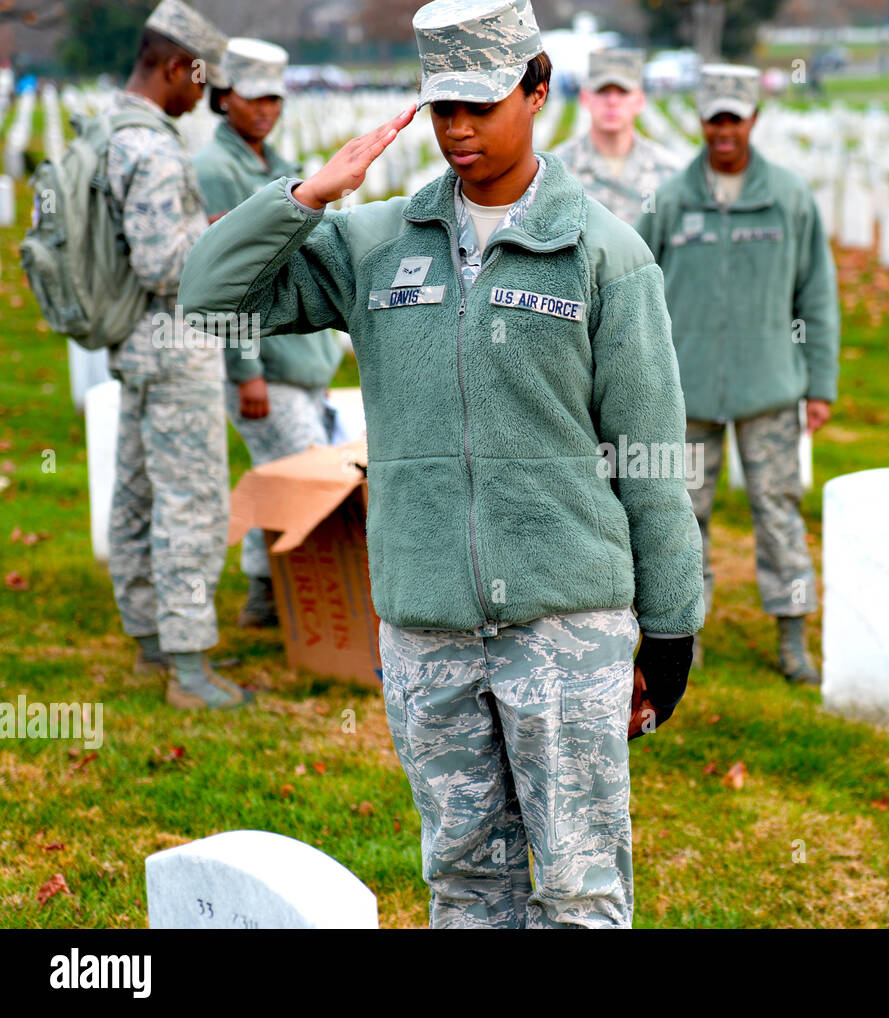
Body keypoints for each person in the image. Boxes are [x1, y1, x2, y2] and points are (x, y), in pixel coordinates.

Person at [178, 0, 703, 928]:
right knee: (464, 886)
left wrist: (668, 631)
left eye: (481, 103)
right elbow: (208, 294)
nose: (458, 128)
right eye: (441, 107)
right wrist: (309, 194)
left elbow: (652, 459)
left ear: (537, 89)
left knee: (582, 891)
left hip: (565, 624)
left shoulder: (603, 256)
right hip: (425, 625)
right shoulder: (374, 244)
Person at [636, 64, 839, 685]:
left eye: (736, 118)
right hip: (687, 395)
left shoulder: (788, 198)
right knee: (681, 518)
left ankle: (793, 637)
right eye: (714, 118)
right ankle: (680, 640)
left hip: (770, 390)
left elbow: (818, 295)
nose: (725, 130)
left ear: (753, 120)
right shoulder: (671, 200)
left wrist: (821, 384)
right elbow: (637, 293)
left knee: (777, 513)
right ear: (701, 121)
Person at [106, 0, 251, 711]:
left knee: (135, 492)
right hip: (175, 343)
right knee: (191, 501)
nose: (204, 97)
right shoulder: (155, 146)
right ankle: (189, 669)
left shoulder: (109, 127)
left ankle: (148, 642)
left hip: (131, 342)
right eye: (199, 81)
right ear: (172, 68)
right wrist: (223, 238)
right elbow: (168, 264)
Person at [195, 37, 343, 628]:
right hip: (266, 370)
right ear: (225, 96)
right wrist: (246, 369)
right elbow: (229, 283)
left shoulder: (275, 165)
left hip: (301, 362)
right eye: (253, 97)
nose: (265, 109)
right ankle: (284, 598)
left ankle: (268, 601)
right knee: (302, 481)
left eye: (274, 99)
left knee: (284, 479)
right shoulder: (216, 170)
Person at [552, 48, 682, 225]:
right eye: (602, 91)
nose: (612, 101)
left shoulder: (669, 171)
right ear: (584, 98)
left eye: (623, 92)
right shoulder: (558, 172)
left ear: (640, 100)